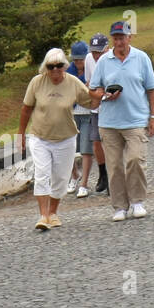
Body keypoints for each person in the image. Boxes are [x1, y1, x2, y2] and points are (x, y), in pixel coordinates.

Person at [89, 20, 154, 221]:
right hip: (109, 122)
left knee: (135, 159)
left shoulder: (141, 58)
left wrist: (152, 117)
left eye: (122, 37)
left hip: (136, 119)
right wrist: (105, 95)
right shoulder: (104, 61)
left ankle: (137, 201)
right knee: (114, 165)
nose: (119, 42)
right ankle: (119, 206)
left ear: (130, 37)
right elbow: (93, 89)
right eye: (116, 38)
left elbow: (151, 89)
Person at [19, 48, 92, 231]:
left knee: (60, 178)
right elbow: (26, 108)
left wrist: (102, 94)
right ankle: (43, 215)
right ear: (46, 67)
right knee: (42, 174)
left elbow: (90, 101)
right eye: (51, 67)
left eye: (59, 66)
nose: (55, 70)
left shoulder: (73, 83)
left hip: (66, 138)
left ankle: (53, 212)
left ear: (65, 66)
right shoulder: (37, 83)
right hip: (40, 137)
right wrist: (20, 133)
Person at [66, 41, 98, 198]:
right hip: (71, 113)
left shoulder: (92, 69)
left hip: (88, 113)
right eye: (76, 60)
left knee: (86, 149)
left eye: (81, 59)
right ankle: (74, 176)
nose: (79, 63)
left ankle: (84, 184)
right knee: (68, 148)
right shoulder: (68, 72)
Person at [85, 32, 111, 194]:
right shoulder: (89, 59)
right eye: (94, 51)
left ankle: (113, 174)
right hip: (96, 106)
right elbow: (89, 83)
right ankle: (103, 173)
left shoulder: (110, 59)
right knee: (96, 142)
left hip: (111, 106)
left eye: (99, 52)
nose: (96, 55)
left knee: (111, 142)